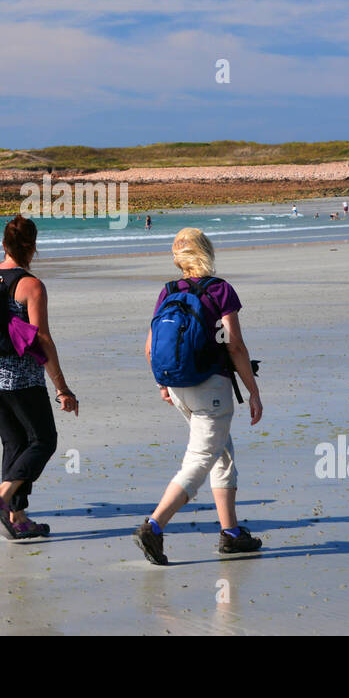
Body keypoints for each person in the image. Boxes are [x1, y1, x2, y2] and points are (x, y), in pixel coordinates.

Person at [134, 228, 264, 565]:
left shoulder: (168, 291)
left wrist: (163, 384)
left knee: (221, 453)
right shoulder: (220, 290)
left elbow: (150, 347)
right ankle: (154, 525)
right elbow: (233, 344)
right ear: (207, 251)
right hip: (211, 388)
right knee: (200, 459)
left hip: (179, 388)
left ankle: (232, 534)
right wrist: (253, 390)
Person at [0, 216, 78, 539]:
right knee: (44, 440)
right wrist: (62, 388)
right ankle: (0, 497)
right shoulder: (31, 286)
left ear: (4, 245)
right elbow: (42, 339)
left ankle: (17, 518)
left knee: (14, 443)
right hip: (21, 380)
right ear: (33, 247)